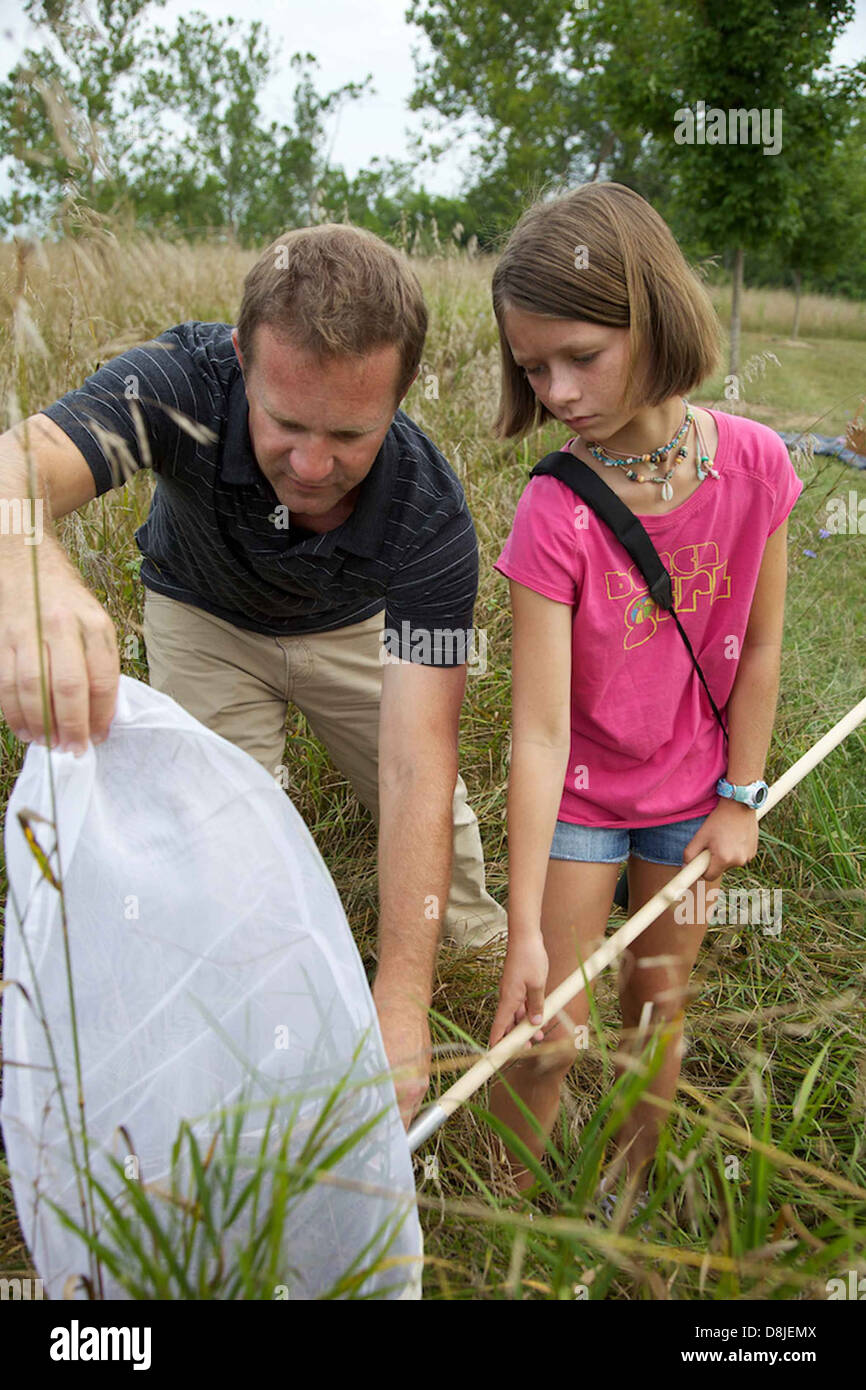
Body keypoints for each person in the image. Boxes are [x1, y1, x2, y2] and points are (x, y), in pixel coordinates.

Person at [0, 222, 508, 1131]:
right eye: (285, 423)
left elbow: (415, 764)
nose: (311, 468)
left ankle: (471, 957)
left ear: (400, 395)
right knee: (216, 844)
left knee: (450, 845)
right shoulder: (180, 384)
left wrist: (400, 996)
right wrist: (27, 566)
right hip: (203, 617)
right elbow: (14, 469)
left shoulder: (431, 517)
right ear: (240, 360)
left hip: (352, 631)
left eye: (350, 433)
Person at [485, 182, 803, 1203]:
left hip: (693, 796)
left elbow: (758, 653)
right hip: (577, 802)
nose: (559, 390)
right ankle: (501, 1220)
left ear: (652, 315)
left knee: (654, 1014)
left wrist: (739, 797)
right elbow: (535, 732)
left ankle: (623, 1206)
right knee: (548, 1033)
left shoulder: (755, 465)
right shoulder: (552, 510)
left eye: (580, 354)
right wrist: (523, 925)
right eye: (534, 368)